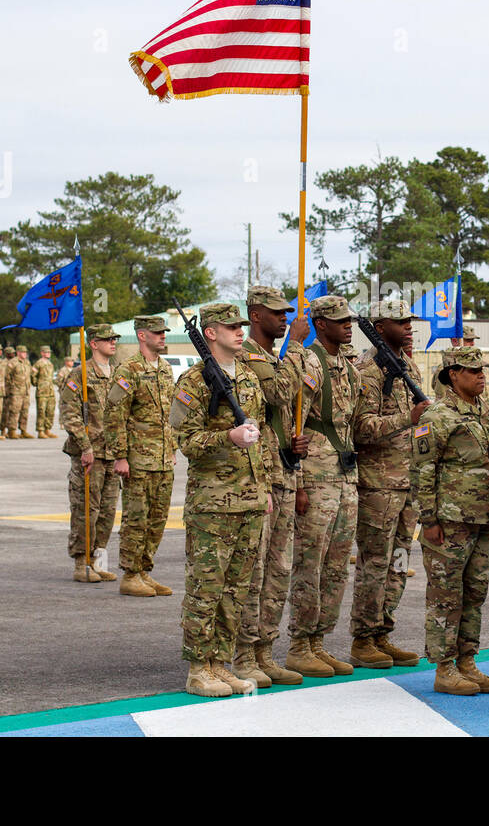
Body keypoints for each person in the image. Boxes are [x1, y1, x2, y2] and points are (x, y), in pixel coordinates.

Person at [173, 303, 268, 697]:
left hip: (249, 499)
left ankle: (220, 663)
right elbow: (186, 441)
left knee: (236, 589)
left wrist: (265, 490)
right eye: (230, 326)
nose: (239, 331)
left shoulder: (246, 374)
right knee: (206, 588)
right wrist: (226, 437)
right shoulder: (193, 381)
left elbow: (260, 435)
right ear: (209, 332)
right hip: (213, 503)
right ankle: (198, 668)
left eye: (241, 325)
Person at [414, 346, 489, 695]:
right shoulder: (436, 416)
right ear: (453, 374)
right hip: (449, 522)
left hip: (483, 518)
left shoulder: (485, 412)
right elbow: (422, 469)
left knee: (474, 593)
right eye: (472, 370)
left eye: (482, 369)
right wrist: (428, 518)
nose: (481, 375)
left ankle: (468, 661)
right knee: (444, 597)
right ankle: (444, 667)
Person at [284, 295, 364, 678]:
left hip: (345, 474)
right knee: (310, 564)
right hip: (316, 474)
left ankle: (319, 641)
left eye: (349, 319)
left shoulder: (347, 364)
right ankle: (300, 644)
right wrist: (298, 483)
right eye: (339, 320)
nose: (347, 325)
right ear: (320, 324)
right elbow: (293, 422)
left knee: (336, 566)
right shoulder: (310, 362)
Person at [233, 286, 310, 687]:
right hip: (259, 478)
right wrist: (296, 344)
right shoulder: (247, 356)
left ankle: (266, 649)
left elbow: (280, 409)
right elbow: (280, 390)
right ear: (255, 315)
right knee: (255, 569)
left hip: (283, 471)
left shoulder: (273, 359)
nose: (285, 319)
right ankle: (244, 653)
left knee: (278, 570)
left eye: (287, 314)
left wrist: (292, 442)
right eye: (277, 313)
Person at [348, 299, 429, 669]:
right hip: (378, 483)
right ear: (379, 328)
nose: (408, 326)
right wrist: (406, 418)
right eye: (400, 321)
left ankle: (384, 632)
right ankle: (363, 639)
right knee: (374, 563)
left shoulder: (406, 363)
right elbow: (360, 429)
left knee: (398, 561)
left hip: (407, 480)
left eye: (409, 320)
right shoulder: (367, 370)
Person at [105, 316, 176, 598]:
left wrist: (172, 449)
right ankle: (130, 574)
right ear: (142, 335)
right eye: (157, 333)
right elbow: (115, 414)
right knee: (136, 518)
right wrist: (120, 456)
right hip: (137, 458)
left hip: (162, 457)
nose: (163, 337)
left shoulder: (166, 369)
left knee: (158, 519)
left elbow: (171, 413)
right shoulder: (128, 369)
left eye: (164, 333)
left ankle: (145, 570)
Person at [59, 324, 122, 584]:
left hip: (111, 452)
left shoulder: (118, 373)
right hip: (90, 453)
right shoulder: (80, 374)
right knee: (86, 509)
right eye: (107, 340)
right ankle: (80, 562)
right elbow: (69, 413)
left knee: (107, 511)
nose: (113, 343)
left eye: (114, 339)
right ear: (93, 343)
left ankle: (97, 560)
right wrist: (85, 446)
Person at [33, 345, 57, 438]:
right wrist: (38, 384)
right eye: (46, 352)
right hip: (42, 391)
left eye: (49, 352)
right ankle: (40, 430)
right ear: (42, 353)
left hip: (50, 391)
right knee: (41, 411)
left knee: (50, 410)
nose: (48, 354)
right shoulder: (38, 363)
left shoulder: (50, 364)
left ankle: (47, 429)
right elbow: (33, 375)